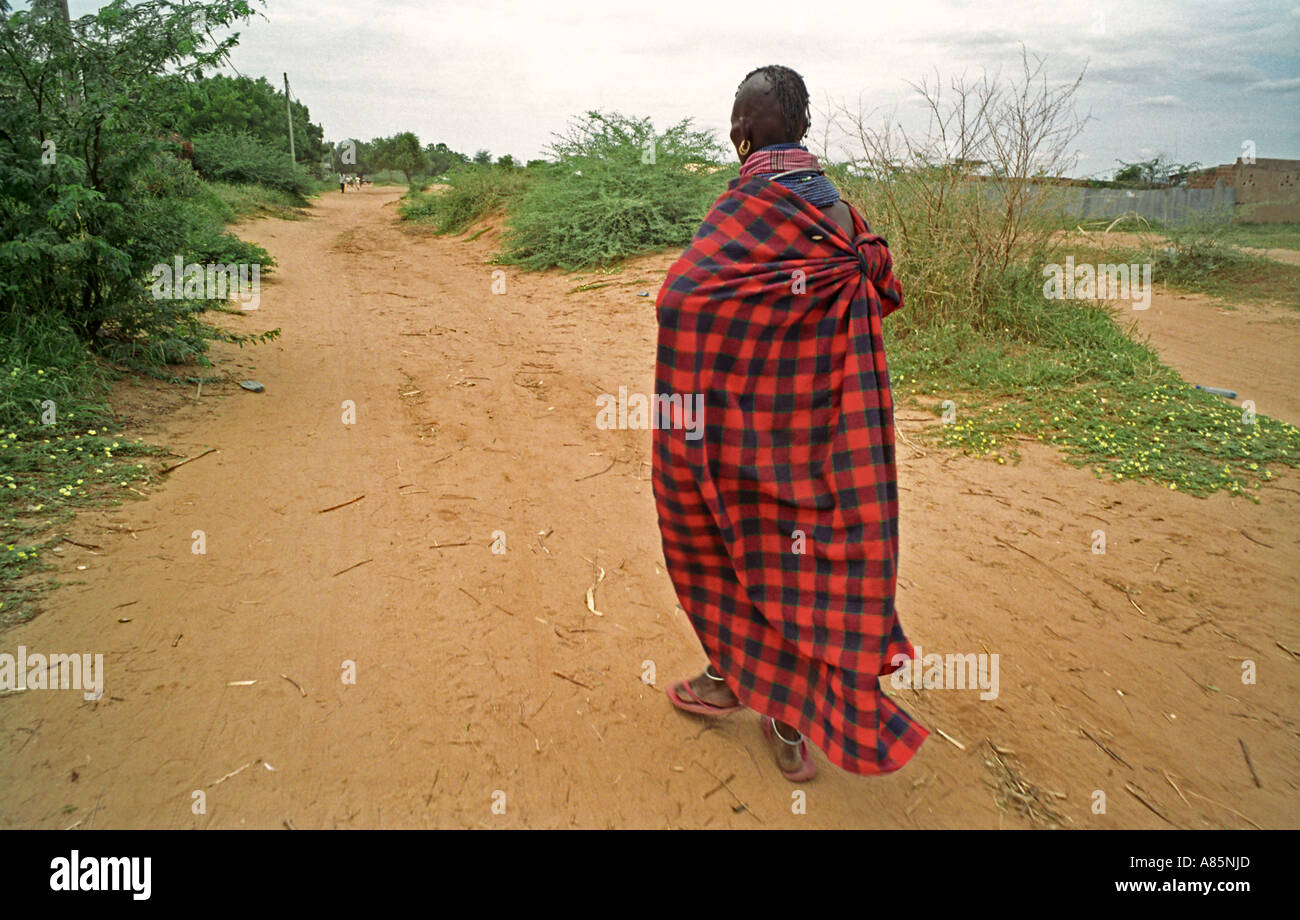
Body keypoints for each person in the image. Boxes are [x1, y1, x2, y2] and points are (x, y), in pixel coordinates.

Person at [654, 65, 928, 782]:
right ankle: (777, 711)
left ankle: (740, 679)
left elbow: (681, 301)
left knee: (733, 540)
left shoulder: (745, 206)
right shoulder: (837, 208)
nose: (736, 129)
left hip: (743, 435)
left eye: (739, 117)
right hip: (820, 440)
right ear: (802, 129)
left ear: (749, 130)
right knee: (799, 564)